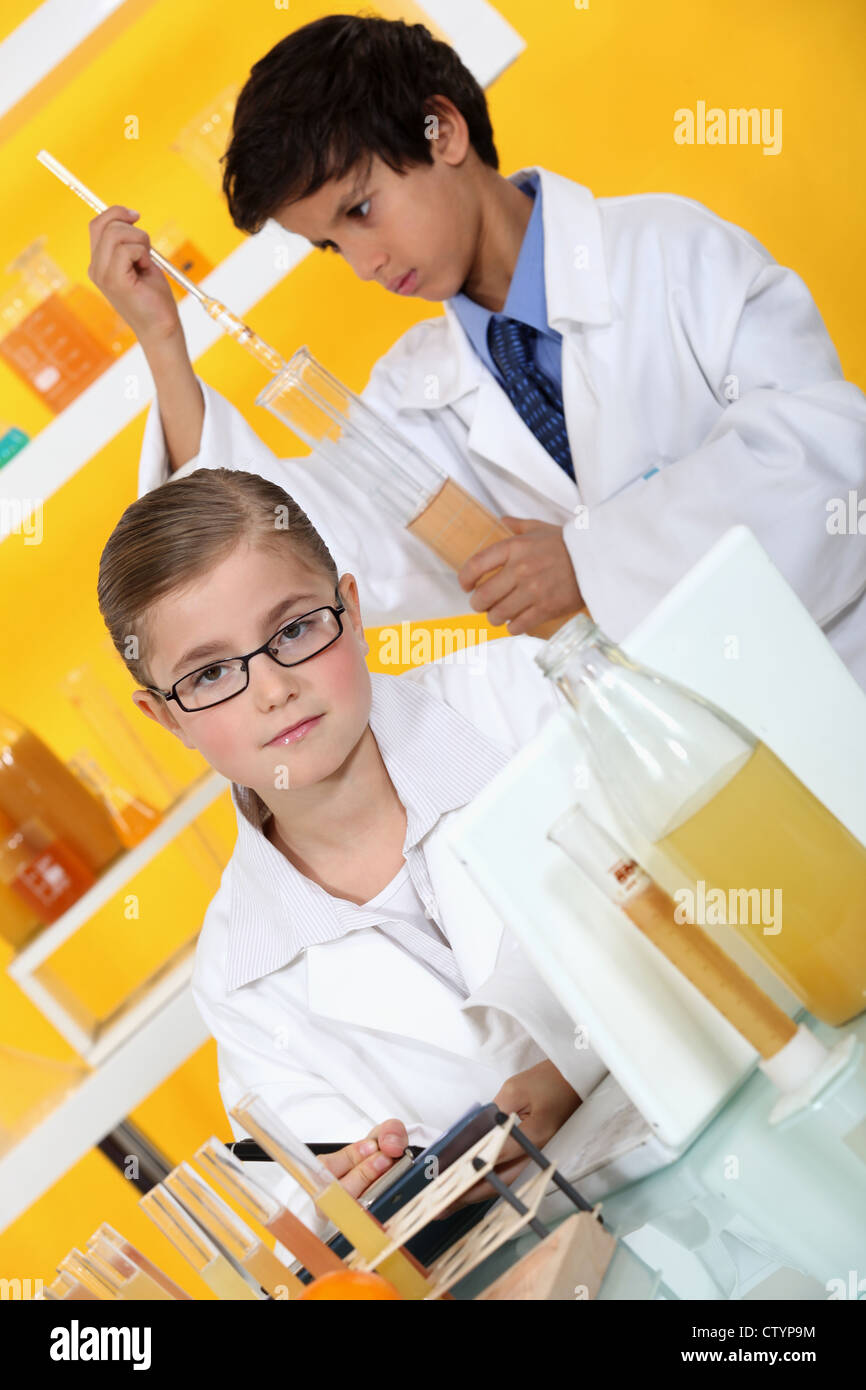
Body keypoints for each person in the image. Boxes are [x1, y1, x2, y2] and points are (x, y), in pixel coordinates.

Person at [88, 14, 866, 685]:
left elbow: (829, 466)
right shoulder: (410, 396)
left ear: (445, 130)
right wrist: (162, 341)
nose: (365, 264)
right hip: (696, 762)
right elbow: (303, 546)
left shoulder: (668, 250)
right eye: (330, 244)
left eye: (361, 209)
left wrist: (590, 561)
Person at [96, 466, 609, 1236]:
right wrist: (349, 1201)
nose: (271, 689)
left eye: (295, 630)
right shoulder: (239, 974)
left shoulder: (522, 699)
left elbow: (722, 878)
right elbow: (314, 1200)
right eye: (208, 674)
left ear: (353, 610)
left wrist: (579, 1063)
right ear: (167, 719)